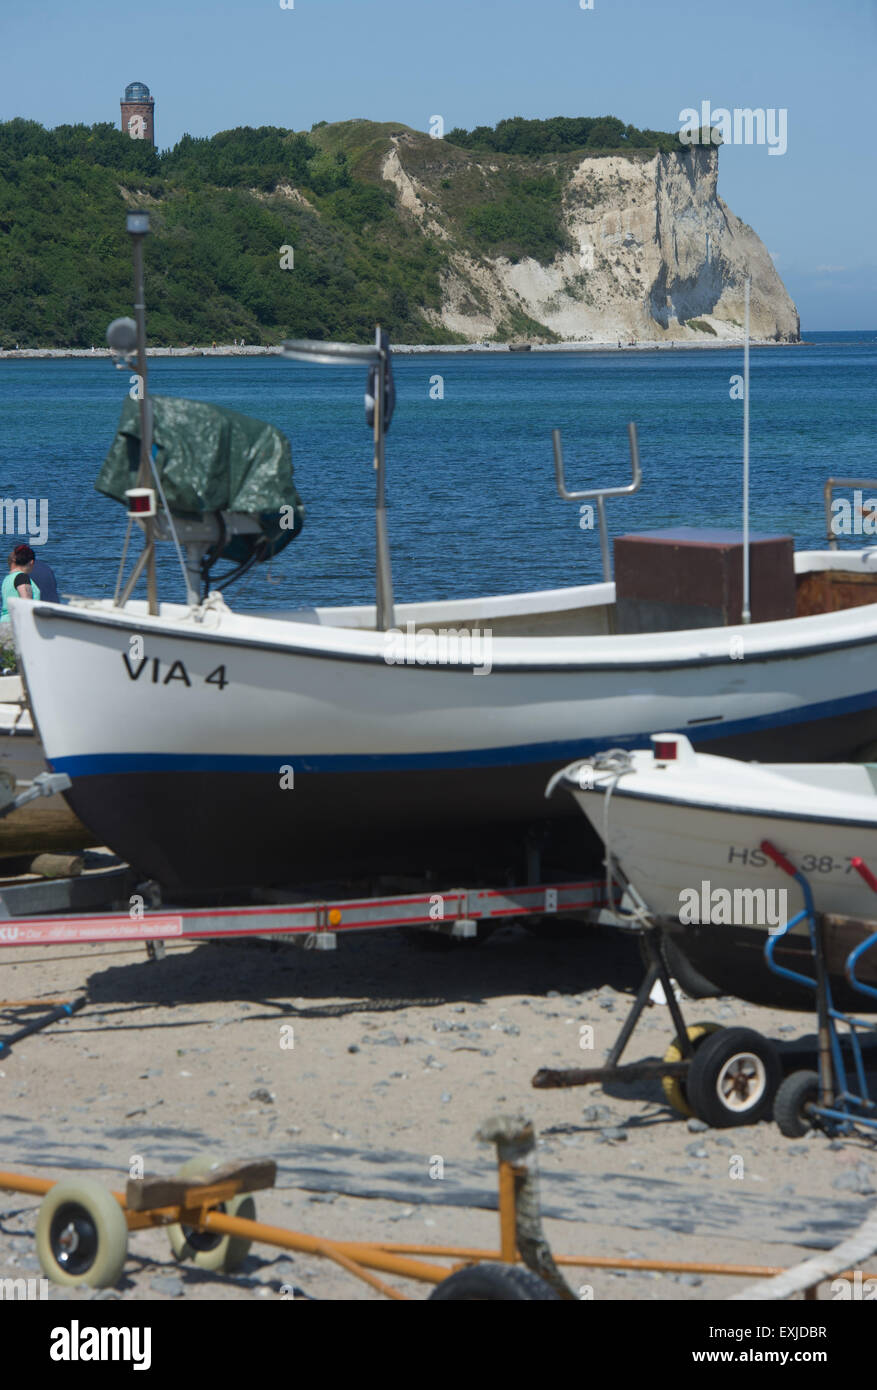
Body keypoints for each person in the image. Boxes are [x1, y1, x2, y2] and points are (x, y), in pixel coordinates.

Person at [1, 545, 41, 622]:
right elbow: (26, 604)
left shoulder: (7, 579)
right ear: (31, 562)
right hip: (17, 623)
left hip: (4, 622)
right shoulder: (22, 577)